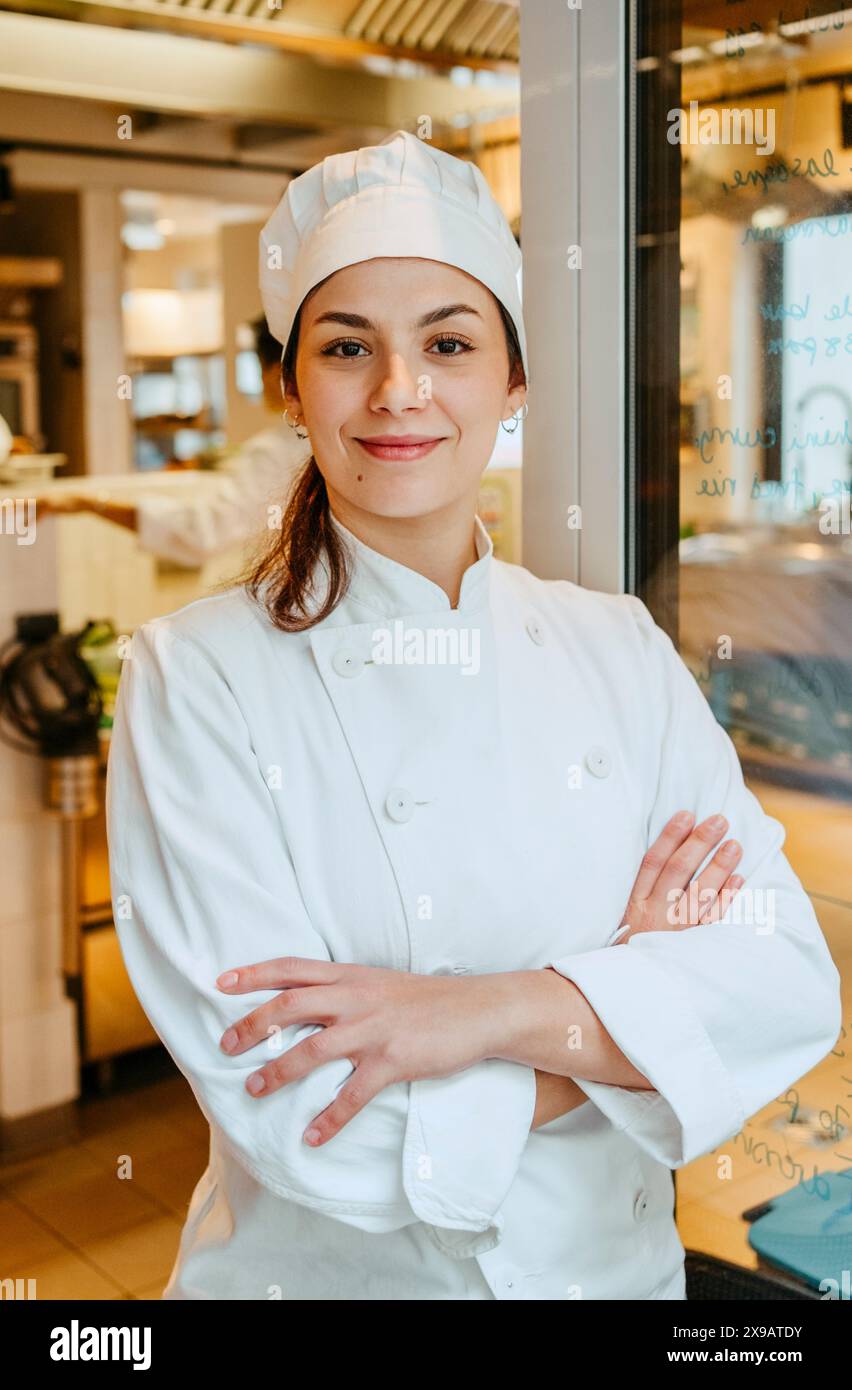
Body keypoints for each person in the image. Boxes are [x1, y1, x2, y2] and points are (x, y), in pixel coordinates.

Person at [104, 129, 841, 1301]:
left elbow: (786, 979)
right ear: (292, 388)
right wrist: (622, 1012)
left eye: (449, 343)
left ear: (513, 383)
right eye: (349, 348)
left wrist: (483, 1013)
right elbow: (308, 1118)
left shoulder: (618, 647)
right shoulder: (195, 679)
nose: (402, 389)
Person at [34, 316, 312, 566]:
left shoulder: (275, 450)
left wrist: (87, 503)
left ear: (278, 373)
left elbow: (202, 533)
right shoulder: (331, 438)